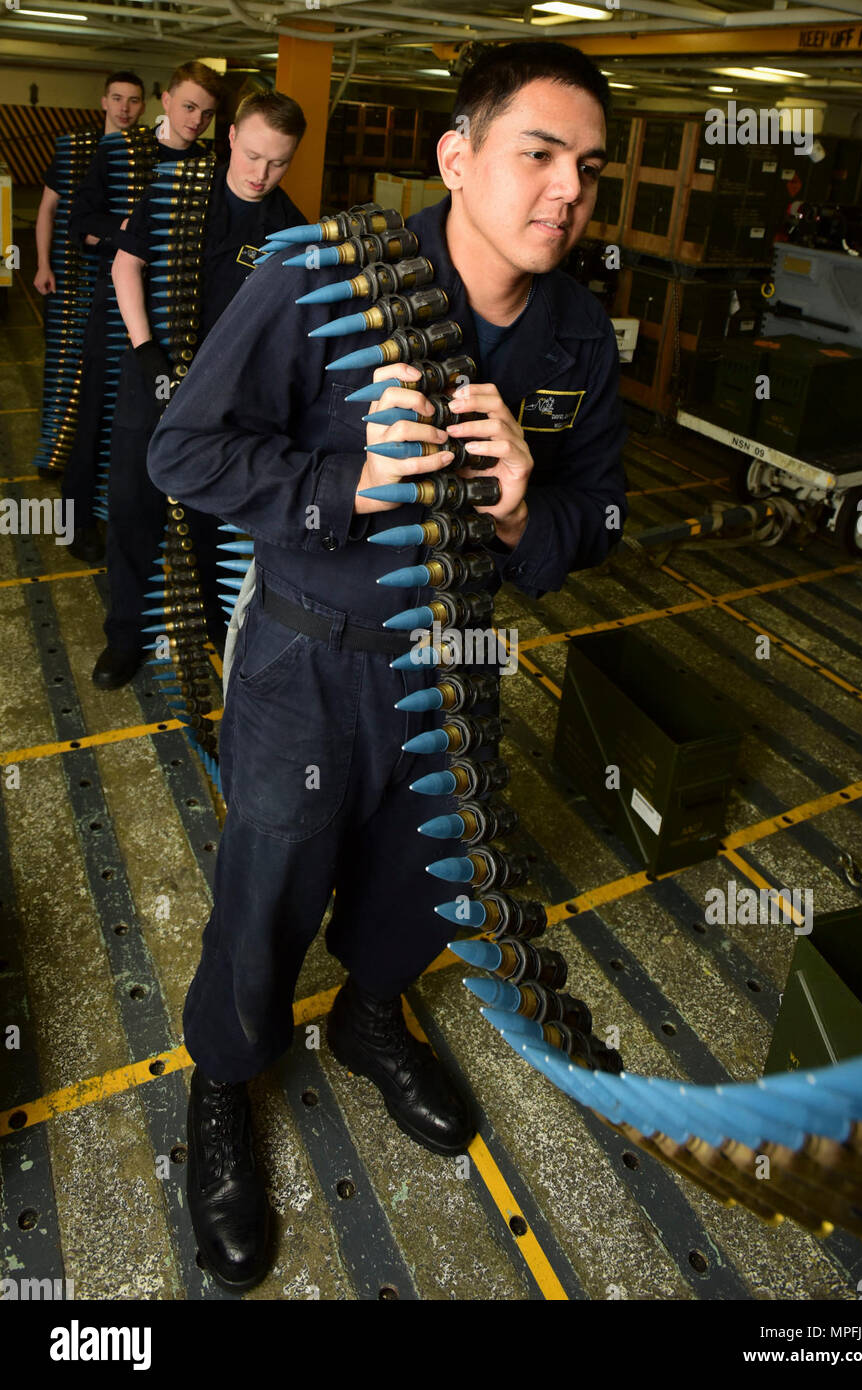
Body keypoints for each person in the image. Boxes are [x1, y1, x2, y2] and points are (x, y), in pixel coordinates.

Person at [147, 41, 627, 1292]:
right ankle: (226, 1083)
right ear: (457, 158)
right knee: (267, 889)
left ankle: (369, 1018)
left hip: (454, 664)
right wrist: (344, 486)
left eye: (586, 168)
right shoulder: (325, 278)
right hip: (306, 658)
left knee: (420, 883)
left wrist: (529, 514)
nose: (565, 190)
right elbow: (184, 451)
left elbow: (605, 517)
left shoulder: (579, 333)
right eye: (536, 153)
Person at [90, 90, 307, 690]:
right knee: (136, 512)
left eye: (279, 163)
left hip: (228, 404)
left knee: (216, 518)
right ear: (231, 137)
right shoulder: (171, 189)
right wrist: (144, 351)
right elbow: (124, 265)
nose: (262, 175)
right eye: (254, 155)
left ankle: (211, 624)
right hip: (152, 377)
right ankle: (125, 638)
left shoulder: (290, 229)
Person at [62, 61, 222, 564]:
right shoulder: (118, 152)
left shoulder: (212, 165)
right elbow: (81, 222)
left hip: (173, 318)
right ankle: (75, 525)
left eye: (208, 113)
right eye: (190, 106)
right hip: (114, 312)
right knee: (92, 420)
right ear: (167, 99)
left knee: (142, 433)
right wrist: (129, 228)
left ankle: (138, 534)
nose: (196, 120)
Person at [33, 71, 146, 299]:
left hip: (122, 267)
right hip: (72, 264)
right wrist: (43, 265)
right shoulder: (74, 151)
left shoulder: (147, 155)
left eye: (133, 101)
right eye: (117, 98)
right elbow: (48, 210)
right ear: (104, 102)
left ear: (142, 107)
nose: (124, 108)